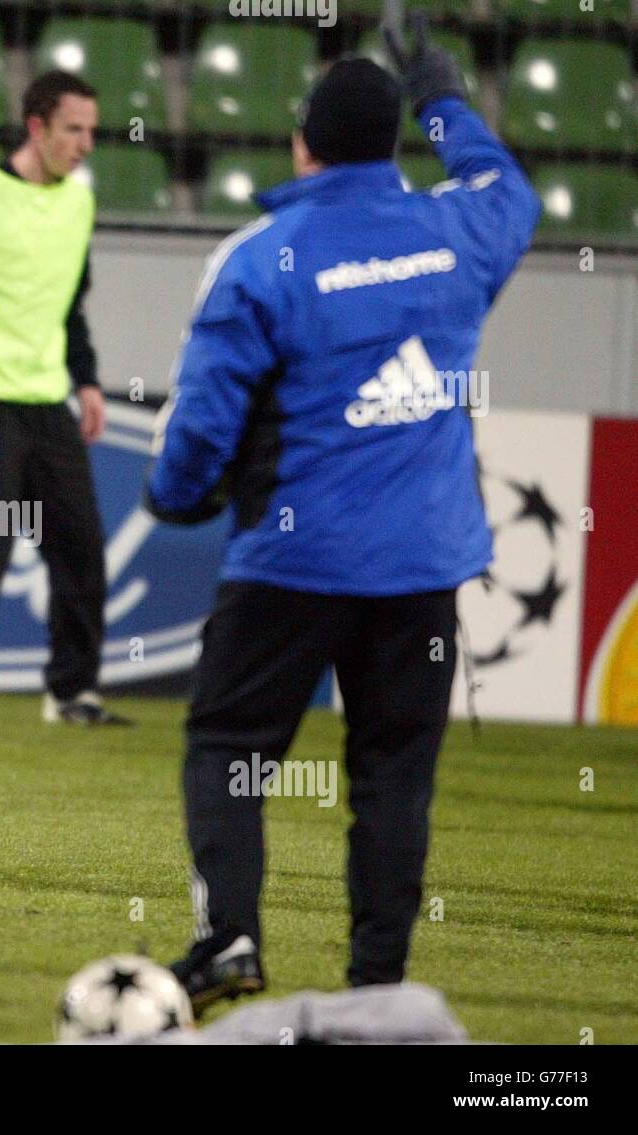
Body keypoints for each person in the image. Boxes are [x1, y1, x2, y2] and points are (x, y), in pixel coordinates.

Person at [147, 11, 540, 1010]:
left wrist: (177, 495)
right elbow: (509, 188)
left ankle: (230, 937)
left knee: (228, 748)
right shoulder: (459, 230)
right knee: (392, 777)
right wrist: (443, 95)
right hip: (421, 569)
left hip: (294, 558)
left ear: (302, 144)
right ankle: (377, 986)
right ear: (394, 143)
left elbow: (204, 416)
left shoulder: (262, 256)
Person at [0, 70, 127, 727]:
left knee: (81, 549)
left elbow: (68, 304)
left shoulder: (79, 202)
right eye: (74, 129)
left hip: (49, 402)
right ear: (37, 127)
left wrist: (89, 380)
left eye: (93, 131)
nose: (86, 144)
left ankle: (71, 694)